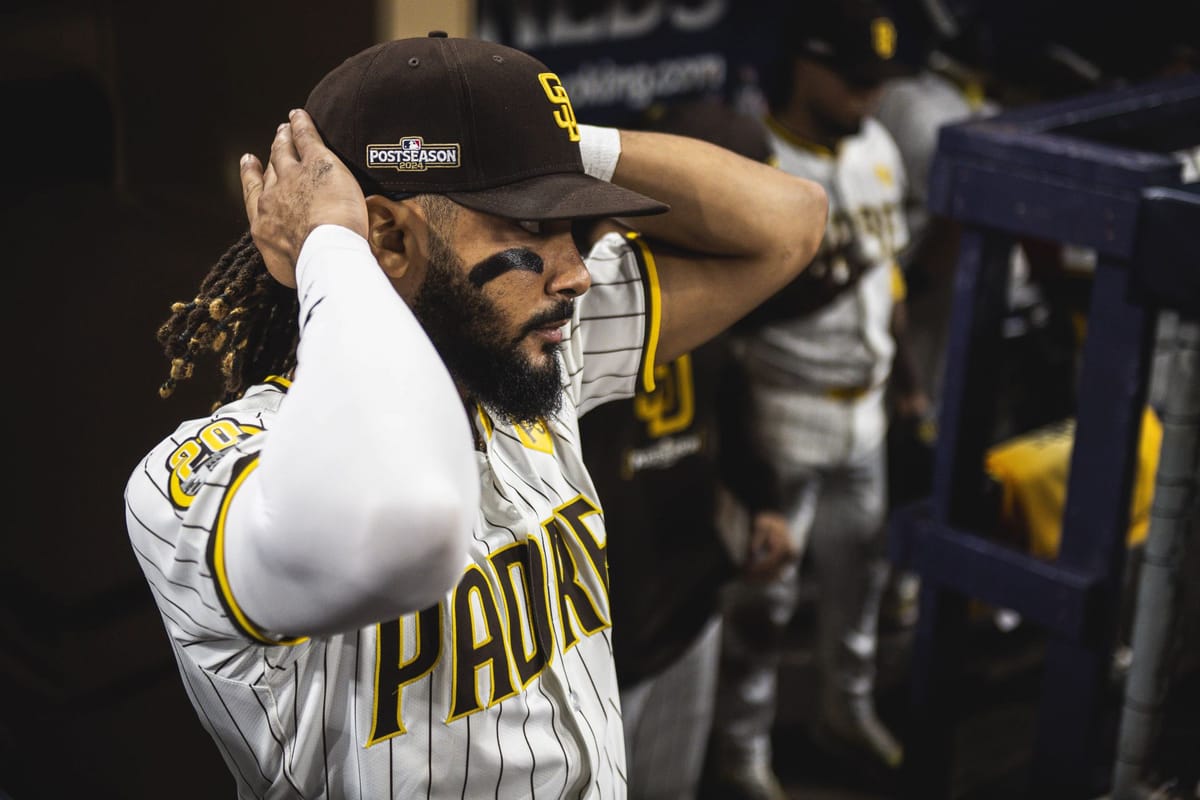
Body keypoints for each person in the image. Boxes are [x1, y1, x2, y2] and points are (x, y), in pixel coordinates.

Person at [123, 31, 827, 799]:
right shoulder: (200, 476)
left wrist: (544, 141)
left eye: (571, 226)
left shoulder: (528, 353)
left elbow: (792, 223)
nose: (577, 274)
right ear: (385, 236)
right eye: (529, 226)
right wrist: (330, 243)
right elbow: (404, 519)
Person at [705, 1, 925, 796]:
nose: (869, 98)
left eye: (878, 82)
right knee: (762, 603)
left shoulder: (879, 148)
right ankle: (742, 757)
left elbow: (888, 277)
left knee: (859, 583)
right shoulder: (751, 162)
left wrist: (908, 386)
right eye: (853, 79)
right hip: (781, 408)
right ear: (806, 63)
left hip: (863, 410)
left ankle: (846, 710)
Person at [575, 96, 785, 800]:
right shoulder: (583, 280)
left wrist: (763, 499)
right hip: (593, 626)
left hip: (688, 588)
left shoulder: (713, 285)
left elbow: (731, 395)